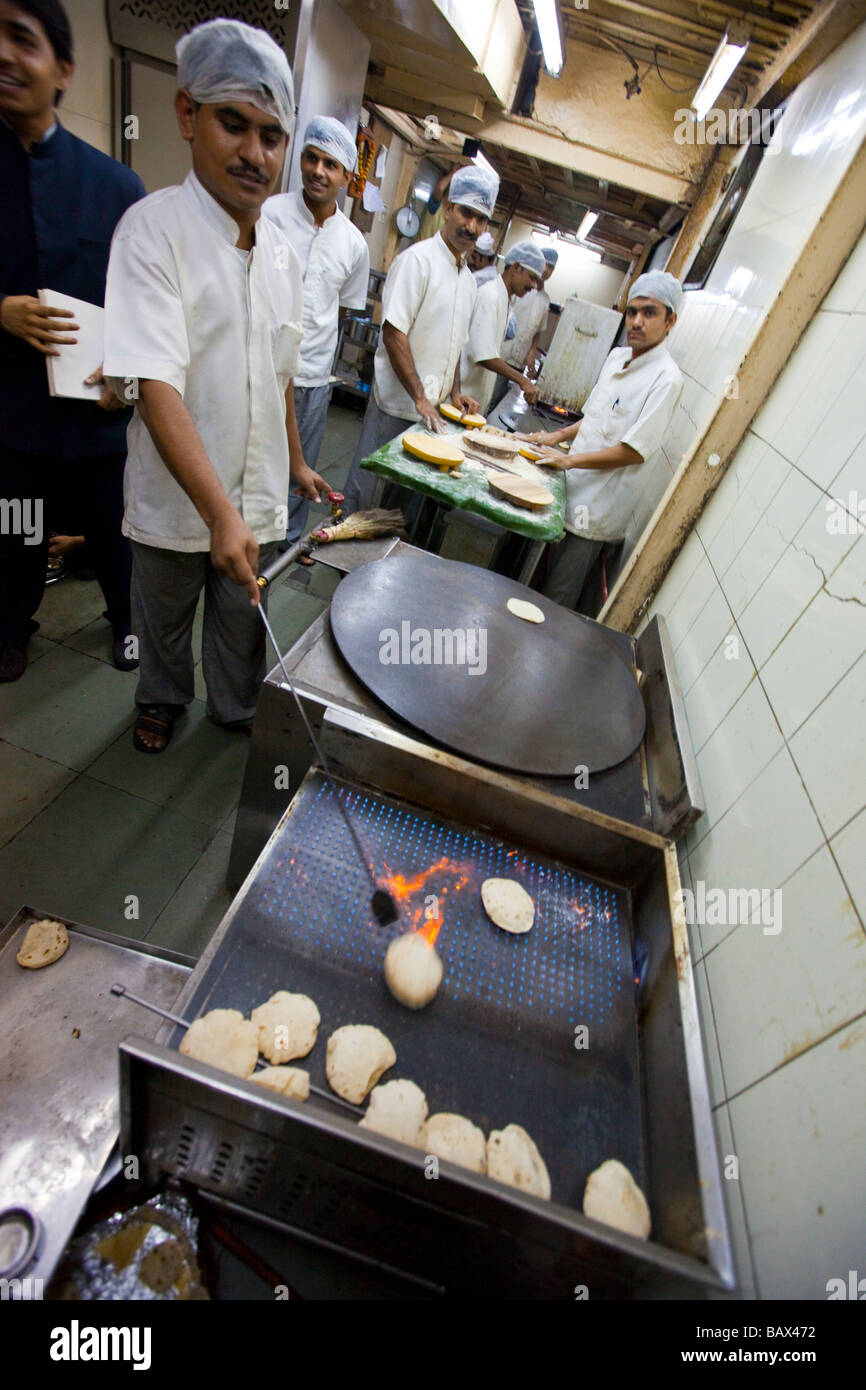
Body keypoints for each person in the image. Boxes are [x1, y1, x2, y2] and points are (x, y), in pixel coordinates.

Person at [103, 18, 328, 753]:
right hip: (176, 496)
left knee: (241, 620)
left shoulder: (286, 260)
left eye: (272, 136)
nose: (254, 153)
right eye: (234, 125)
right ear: (187, 115)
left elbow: (282, 373)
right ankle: (162, 698)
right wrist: (216, 516)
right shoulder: (151, 232)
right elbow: (156, 388)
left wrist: (293, 463)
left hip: (256, 492)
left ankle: (233, 709)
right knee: (163, 613)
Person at [0, 0, 145, 683]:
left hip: (97, 417)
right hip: (14, 417)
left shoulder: (115, 187)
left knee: (114, 536)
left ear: (63, 69)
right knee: (17, 533)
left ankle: (126, 622)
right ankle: (11, 626)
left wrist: (130, 378)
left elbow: (147, 308)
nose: (4, 56)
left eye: (21, 42)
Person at [517, 270, 685, 610]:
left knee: (558, 596)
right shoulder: (617, 357)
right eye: (633, 311)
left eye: (649, 313)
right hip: (570, 486)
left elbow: (633, 452)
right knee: (536, 575)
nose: (637, 321)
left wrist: (568, 460)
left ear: (670, 321)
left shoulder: (666, 380)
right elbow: (593, 416)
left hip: (597, 510)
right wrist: (557, 437)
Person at [342, 162, 499, 514]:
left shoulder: (469, 280)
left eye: (481, 219)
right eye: (465, 213)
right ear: (448, 209)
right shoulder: (418, 262)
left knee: (400, 498)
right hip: (399, 405)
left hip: (431, 413)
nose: (471, 226)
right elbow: (394, 332)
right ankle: (344, 560)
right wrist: (420, 397)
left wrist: (455, 391)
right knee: (370, 488)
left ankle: (383, 564)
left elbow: (455, 342)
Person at [263, 116, 369, 551]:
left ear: (346, 176)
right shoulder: (269, 215)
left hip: (310, 376)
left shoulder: (353, 244)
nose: (318, 171)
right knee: (254, 456)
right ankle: (247, 531)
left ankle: (285, 545)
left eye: (330, 164)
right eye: (311, 158)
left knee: (299, 464)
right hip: (261, 367)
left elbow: (340, 308)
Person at [460, 240, 546, 416]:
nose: (534, 285)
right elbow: (483, 355)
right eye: (532, 277)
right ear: (515, 267)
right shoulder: (491, 296)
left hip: (473, 400)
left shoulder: (505, 300)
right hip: (463, 397)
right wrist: (523, 381)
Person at [489, 245, 557, 414]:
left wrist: (532, 352)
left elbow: (538, 329)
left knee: (498, 403)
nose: (547, 271)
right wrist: (524, 381)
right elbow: (484, 353)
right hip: (501, 355)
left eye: (551, 268)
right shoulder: (516, 291)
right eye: (545, 265)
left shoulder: (544, 299)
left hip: (518, 361)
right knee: (490, 398)